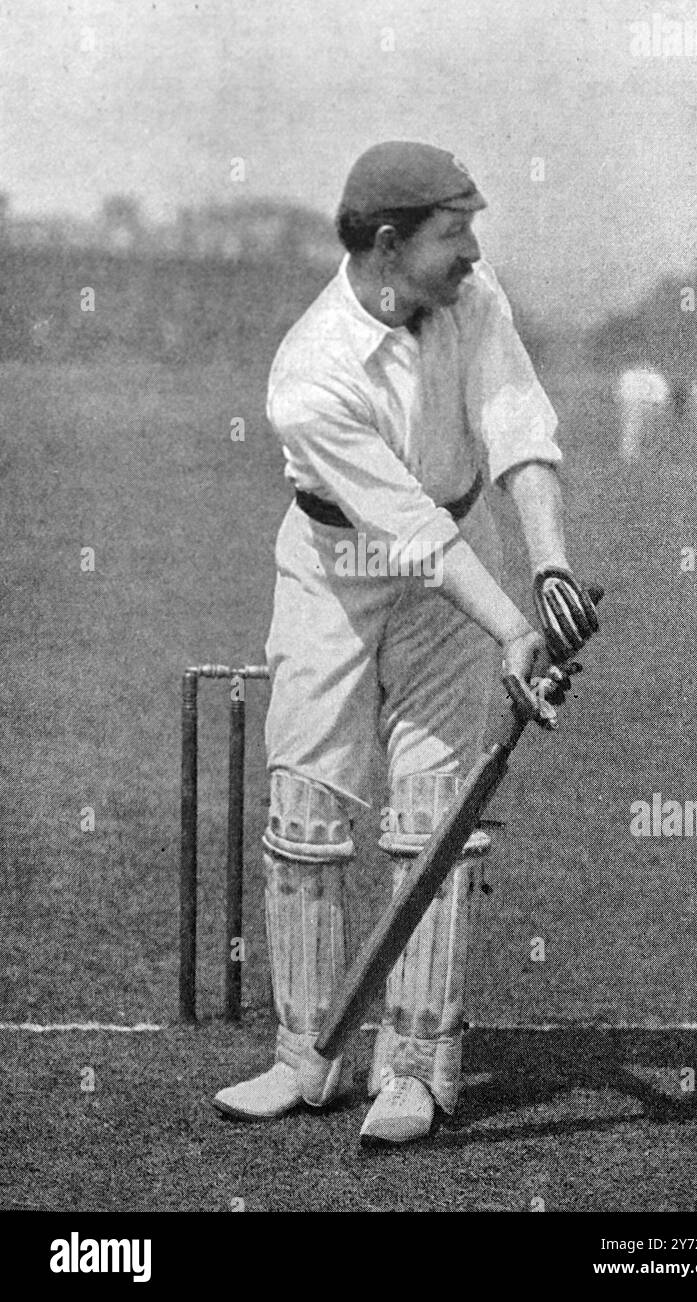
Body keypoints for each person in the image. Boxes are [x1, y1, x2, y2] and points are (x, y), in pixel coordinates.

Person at [214, 140, 598, 1143]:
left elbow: (516, 426)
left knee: (433, 816)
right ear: (389, 246)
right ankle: (309, 1057)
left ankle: (417, 1068)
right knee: (305, 809)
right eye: (452, 232)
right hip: (334, 568)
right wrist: (514, 625)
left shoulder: (471, 301)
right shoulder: (310, 373)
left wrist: (548, 569)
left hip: (449, 561)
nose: (473, 249)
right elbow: (405, 532)